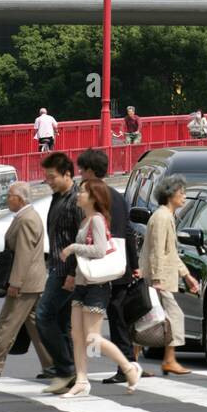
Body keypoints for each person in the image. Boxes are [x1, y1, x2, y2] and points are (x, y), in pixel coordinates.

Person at [57, 178, 141, 397]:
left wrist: (73, 248)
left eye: (82, 191)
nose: (78, 195)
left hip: (97, 286)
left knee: (91, 338)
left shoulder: (96, 220)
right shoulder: (85, 220)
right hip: (82, 283)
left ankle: (129, 367)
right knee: (76, 334)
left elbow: (100, 250)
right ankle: (82, 381)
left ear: (93, 197)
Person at [0, 182, 52, 381]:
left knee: (7, 323)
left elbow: (24, 254)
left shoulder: (27, 219)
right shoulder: (25, 217)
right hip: (32, 281)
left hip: (25, 282)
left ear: (20, 199)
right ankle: (54, 364)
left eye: (10, 195)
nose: (7, 198)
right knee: (36, 326)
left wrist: (15, 283)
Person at [76, 148, 144, 384]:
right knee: (117, 315)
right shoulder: (118, 196)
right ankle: (125, 364)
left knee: (82, 313)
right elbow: (128, 231)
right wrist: (134, 265)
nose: (80, 173)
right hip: (119, 263)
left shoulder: (89, 195)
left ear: (91, 171)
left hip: (96, 264)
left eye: (82, 169)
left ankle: (80, 365)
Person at [138, 174, 200, 375]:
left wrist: (187, 276)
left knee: (147, 320)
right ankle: (169, 359)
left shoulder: (166, 216)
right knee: (172, 316)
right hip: (159, 279)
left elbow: (170, 253)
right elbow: (157, 250)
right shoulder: (162, 217)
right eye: (181, 193)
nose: (184, 197)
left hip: (161, 277)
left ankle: (132, 363)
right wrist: (156, 278)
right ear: (170, 195)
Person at [36, 151, 82, 393]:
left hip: (66, 270)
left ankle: (64, 369)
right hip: (56, 266)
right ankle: (70, 373)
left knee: (43, 315)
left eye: (52, 177)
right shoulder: (58, 197)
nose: (49, 181)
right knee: (62, 322)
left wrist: (74, 273)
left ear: (67, 174)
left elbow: (81, 238)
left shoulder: (76, 201)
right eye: (47, 177)